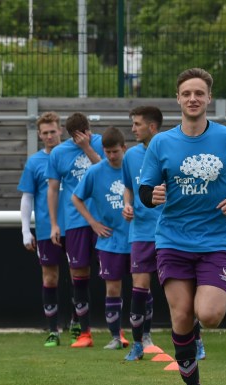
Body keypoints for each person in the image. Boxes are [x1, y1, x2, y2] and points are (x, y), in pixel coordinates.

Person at [139, 67, 226, 385]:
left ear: (208, 98)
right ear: (178, 99)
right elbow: (146, 189)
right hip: (172, 240)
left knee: (208, 315)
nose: (193, 98)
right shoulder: (161, 142)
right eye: (187, 93)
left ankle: (199, 330)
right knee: (179, 317)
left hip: (215, 242)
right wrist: (152, 197)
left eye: (199, 93)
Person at [47, 112, 105, 348]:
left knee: (114, 275)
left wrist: (88, 147)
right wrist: (54, 223)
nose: (87, 136)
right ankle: (84, 333)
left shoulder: (101, 143)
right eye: (82, 135)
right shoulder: (59, 153)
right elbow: (53, 189)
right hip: (76, 222)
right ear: (72, 135)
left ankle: (117, 332)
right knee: (78, 275)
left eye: (88, 131)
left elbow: (107, 171)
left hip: (104, 220)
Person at [72, 127, 131, 349]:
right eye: (107, 151)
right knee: (113, 289)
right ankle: (116, 337)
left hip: (135, 237)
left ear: (124, 148)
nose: (111, 156)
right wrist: (93, 222)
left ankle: (144, 337)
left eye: (115, 151)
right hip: (109, 240)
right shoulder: (95, 172)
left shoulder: (135, 167)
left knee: (140, 287)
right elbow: (76, 198)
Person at [121, 106, 167, 361]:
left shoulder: (172, 150)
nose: (133, 128)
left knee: (180, 289)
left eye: (137, 124)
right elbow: (129, 188)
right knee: (139, 287)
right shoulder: (130, 156)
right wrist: (126, 205)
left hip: (169, 232)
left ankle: (196, 342)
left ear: (151, 127)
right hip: (140, 231)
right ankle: (138, 344)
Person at [17, 112, 66, 347]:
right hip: (47, 229)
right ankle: (53, 330)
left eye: (52, 131)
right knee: (50, 277)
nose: (49, 136)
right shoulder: (34, 162)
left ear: (61, 131)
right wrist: (26, 230)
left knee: (81, 276)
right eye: (44, 133)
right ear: (39, 135)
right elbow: (27, 197)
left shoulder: (73, 156)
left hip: (77, 227)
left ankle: (79, 326)